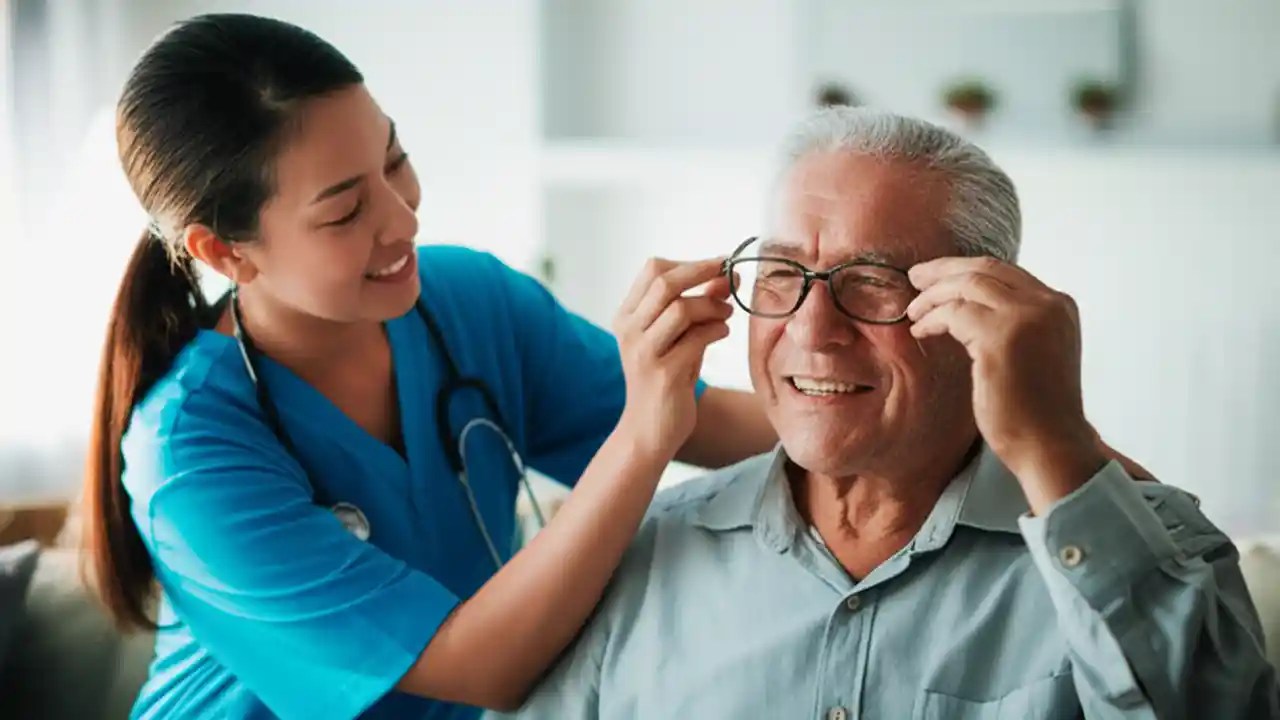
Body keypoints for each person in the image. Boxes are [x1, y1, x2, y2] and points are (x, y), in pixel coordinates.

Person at [78, 14, 783, 720]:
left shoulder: (468, 303)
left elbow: (712, 421)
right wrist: (642, 436)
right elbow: (483, 670)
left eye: (394, 161)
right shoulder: (190, 457)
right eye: (347, 210)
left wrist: (879, 399)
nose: (403, 219)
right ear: (225, 253)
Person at [514, 108, 1280, 719]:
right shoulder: (634, 556)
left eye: (871, 280)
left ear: (981, 309)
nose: (812, 330)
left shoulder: (1160, 550)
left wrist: (1053, 446)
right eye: (782, 274)